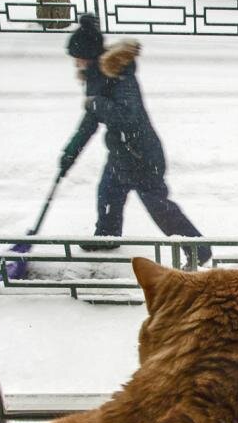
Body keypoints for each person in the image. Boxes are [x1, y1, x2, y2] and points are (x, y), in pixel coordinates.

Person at [60, 14, 212, 265]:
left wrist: (96, 103)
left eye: (77, 58)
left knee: (158, 207)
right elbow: (89, 124)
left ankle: (197, 248)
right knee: (107, 194)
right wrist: (68, 155)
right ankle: (107, 237)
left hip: (141, 155)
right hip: (121, 154)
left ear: (88, 56)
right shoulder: (97, 79)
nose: (75, 63)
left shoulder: (121, 76)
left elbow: (128, 116)